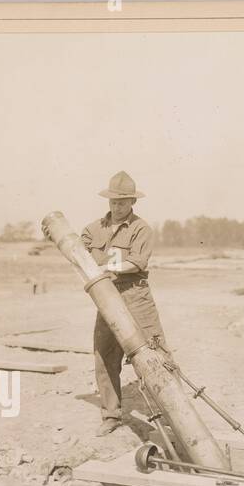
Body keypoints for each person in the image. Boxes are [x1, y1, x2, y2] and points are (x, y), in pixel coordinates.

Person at [81, 171, 169, 436]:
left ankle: (171, 413)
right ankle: (111, 415)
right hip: (106, 296)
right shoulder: (93, 229)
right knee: (105, 354)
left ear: (133, 202)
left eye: (122, 202)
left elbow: (136, 263)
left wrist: (106, 266)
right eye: (113, 202)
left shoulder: (142, 229)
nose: (116, 206)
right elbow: (77, 250)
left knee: (157, 353)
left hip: (135, 295)